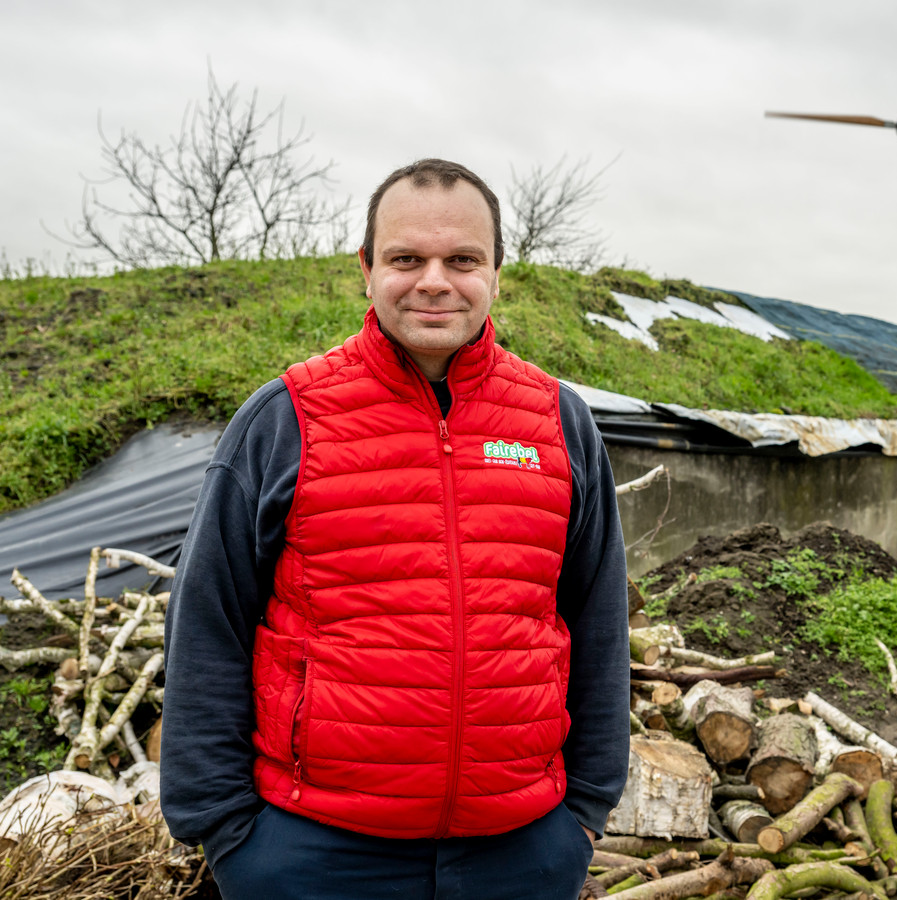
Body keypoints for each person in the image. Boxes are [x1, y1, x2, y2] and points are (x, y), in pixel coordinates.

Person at [161, 159, 631, 899]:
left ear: (497, 272)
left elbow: (596, 618)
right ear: (367, 268)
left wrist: (584, 815)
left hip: (520, 855)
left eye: (462, 260)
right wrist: (224, 831)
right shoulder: (285, 419)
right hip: (311, 854)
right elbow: (208, 620)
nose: (434, 281)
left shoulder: (557, 423)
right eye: (407, 258)